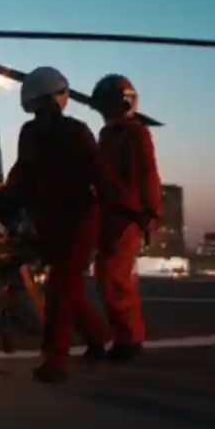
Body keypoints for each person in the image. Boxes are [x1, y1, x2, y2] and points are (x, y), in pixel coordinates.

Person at [3, 66, 126, 383]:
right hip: (67, 219)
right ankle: (98, 339)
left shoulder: (31, 134)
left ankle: (55, 360)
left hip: (69, 220)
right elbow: (102, 176)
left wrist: (1, 201)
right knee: (66, 285)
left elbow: (21, 177)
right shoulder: (73, 131)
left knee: (61, 286)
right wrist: (123, 211)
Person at [90, 74, 163, 361]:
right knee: (107, 275)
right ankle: (123, 337)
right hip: (112, 214)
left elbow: (148, 173)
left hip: (126, 215)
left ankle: (129, 341)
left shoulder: (134, 133)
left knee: (114, 276)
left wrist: (149, 213)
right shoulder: (111, 134)